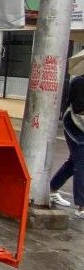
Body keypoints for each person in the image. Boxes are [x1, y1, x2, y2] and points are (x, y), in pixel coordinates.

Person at [50, 73, 84, 216]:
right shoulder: (79, 82)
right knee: (81, 161)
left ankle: (52, 189)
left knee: (73, 162)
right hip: (74, 125)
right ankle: (82, 207)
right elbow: (79, 108)